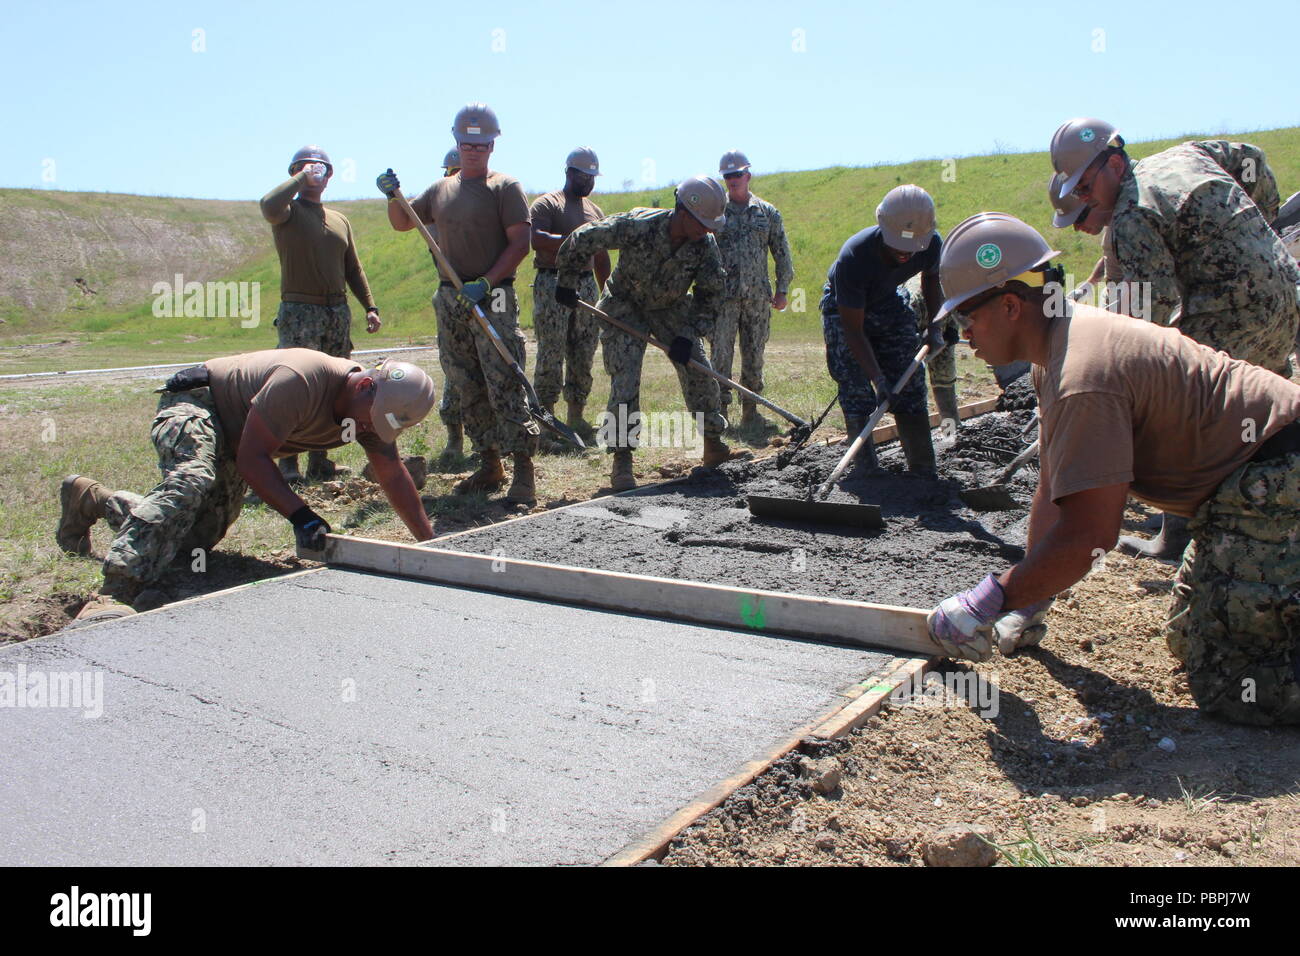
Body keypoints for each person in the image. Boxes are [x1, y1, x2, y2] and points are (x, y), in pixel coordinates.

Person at [926, 212, 1300, 727]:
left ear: (1011, 305)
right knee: (1189, 638)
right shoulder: (1055, 355)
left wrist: (992, 597)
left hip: (1278, 483)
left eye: (965, 321)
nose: (964, 337)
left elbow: (1088, 536)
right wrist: (1030, 604)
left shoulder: (1083, 374)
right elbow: (1055, 490)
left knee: (1233, 684)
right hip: (1243, 489)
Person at [1051, 119, 1300, 559]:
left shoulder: (1132, 215)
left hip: (1229, 316)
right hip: (1285, 298)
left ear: (1113, 164)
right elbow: (1255, 164)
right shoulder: (1188, 154)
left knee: (1188, 412)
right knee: (1270, 409)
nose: (1085, 199)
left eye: (1086, 190)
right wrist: (1259, 232)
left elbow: (1144, 325)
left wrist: (1110, 380)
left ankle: (1177, 538)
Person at [57, 351, 437, 621]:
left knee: (186, 542)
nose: (371, 430)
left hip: (241, 437)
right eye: (372, 421)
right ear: (365, 386)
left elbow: (391, 473)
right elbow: (253, 460)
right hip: (198, 404)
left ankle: (92, 499)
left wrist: (430, 546)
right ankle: (113, 592)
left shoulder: (369, 412)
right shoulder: (301, 380)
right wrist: (302, 515)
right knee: (192, 479)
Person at [378, 103, 538, 505]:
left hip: (494, 295)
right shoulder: (440, 189)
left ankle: (522, 469)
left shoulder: (505, 187)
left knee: (503, 378)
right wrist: (392, 196)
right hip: (450, 298)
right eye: (467, 143)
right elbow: (402, 222)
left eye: (481, 144)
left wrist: (486, 282)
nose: (473, 150)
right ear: (457, 141)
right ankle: (489, 463)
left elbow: (521, 242)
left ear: (492, 146)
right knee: (466, 381)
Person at [553, 175, 738, 491]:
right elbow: (585, 237)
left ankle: (713, 443)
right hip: (624, 305)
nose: (707, 230)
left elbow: (712, 294)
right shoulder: (638, 224)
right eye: (702, 223)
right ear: (683, 211)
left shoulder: (704, 245)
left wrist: (688, 333)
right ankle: (622, 459)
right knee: (624, 382)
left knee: (699, 372)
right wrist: (567, 281)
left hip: (672, 308)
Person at [261, 145, 382, 483]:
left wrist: (370, 307)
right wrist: (301, 176)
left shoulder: (340, 220)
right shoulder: (287, 213)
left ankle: (320, 461)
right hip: (300, 310)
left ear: (330, 177)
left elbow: (353, 268)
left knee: (333, 387)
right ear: (294, 172)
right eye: (305, 167)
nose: (315, 172)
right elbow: (267, 205)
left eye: (321, 169)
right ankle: (288, 463)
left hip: (336, 312)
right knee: (295, 387)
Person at [821, 184, 947, 471]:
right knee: (855, 386)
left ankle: (922, 468)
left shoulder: (930, 243)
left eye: (911, 249)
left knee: (909, 377)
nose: (905, 254)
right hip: (844, 307)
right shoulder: (854, 257)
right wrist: (877, 379)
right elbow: (854, 330)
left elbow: (930, 280)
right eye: (898, 247)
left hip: (888, 298)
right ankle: (866, 471)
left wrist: (935, 326)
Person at [529, 147, 611, 441]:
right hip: (553, 283)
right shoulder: (547, 204)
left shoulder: (595, 211)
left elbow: (601, 256)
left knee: (584, 350)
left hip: (586, 284)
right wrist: (575, 241)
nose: (588, 182)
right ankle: (546, 417)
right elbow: (536, 239)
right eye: (583, 175)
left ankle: (576, 415)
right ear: (569, 173)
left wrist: (607, 293)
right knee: (552, 351)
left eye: (592, 177)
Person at [710, 150, 794, 429]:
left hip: (758, 299)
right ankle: (720, 412)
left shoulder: (767, 213)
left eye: (737, 175)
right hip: (723, 299)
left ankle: (751, 411)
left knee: (754, 354)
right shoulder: (714, 212)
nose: (732, 180)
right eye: (727, 176)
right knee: (720, 355)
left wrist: (782, 289)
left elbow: (782, 252)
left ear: (748, 175)